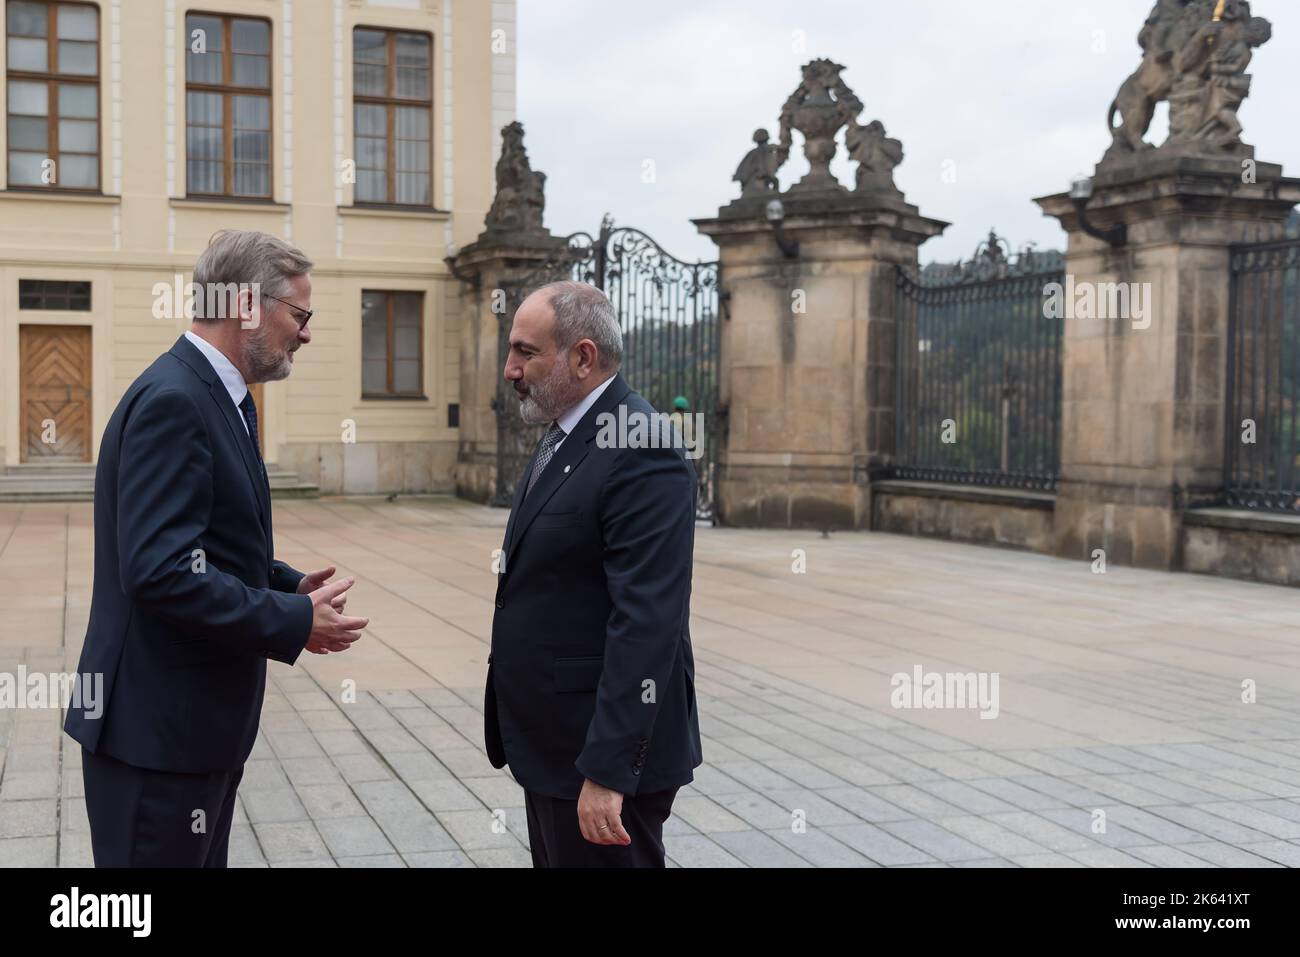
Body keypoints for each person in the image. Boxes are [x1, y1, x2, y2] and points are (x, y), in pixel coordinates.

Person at [64, 229, 367, 867]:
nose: (306, 333)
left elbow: (201, 542)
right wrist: (292, 623)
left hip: (190, 735)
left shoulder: (214, 394)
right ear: (248, 308)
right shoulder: (174, 400)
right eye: (300, 314)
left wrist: (287, 587)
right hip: (155, 740)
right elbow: (158, 570)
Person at [486, 280, 702, 867]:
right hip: (552, 747)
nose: (510, 370)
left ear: (583, 357)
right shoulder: (565, 431)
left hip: (599, 759)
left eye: (526, 352)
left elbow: (647, 623)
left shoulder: (644, 446)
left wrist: (608, 772)